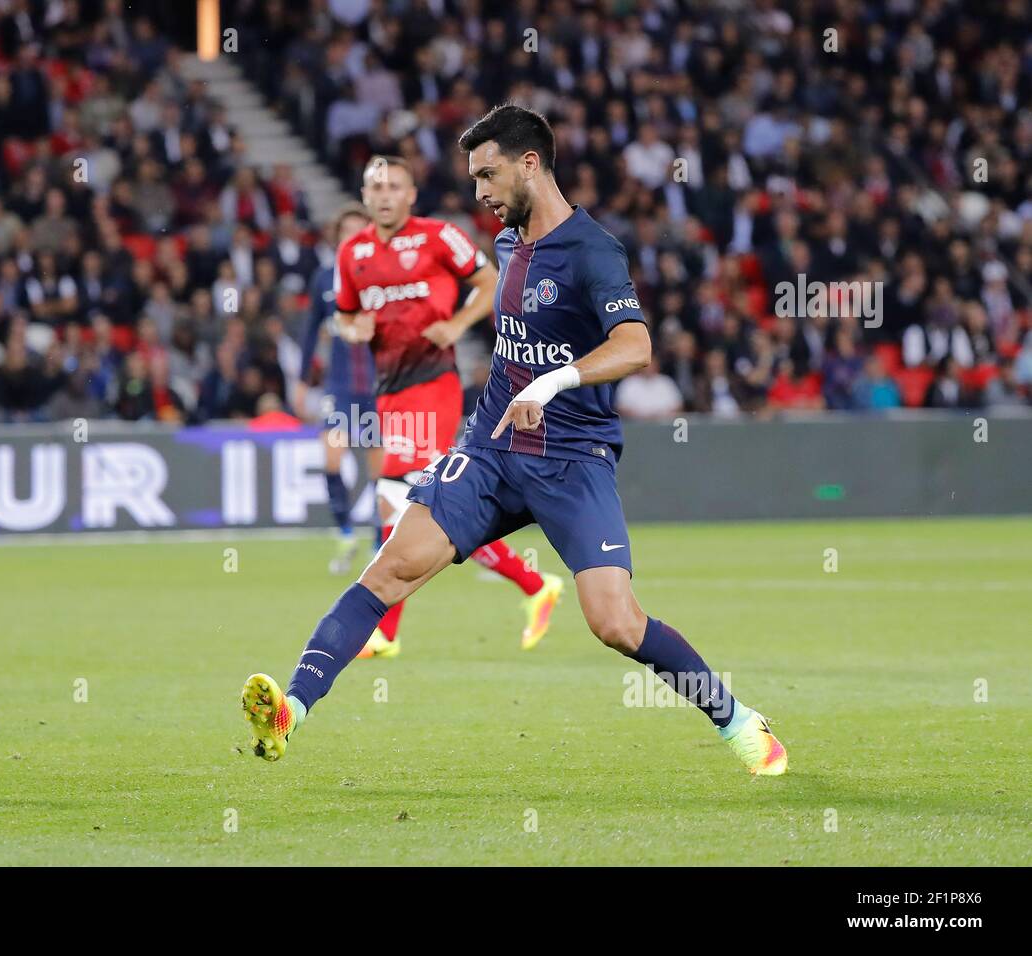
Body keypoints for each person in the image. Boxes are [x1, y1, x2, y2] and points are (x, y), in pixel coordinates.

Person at [241, 105, 788, 776]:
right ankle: (291, 710)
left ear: (531, 163)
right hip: (493, 447)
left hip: (573, 457)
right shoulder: (506, 245)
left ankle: (736, 718)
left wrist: (555, 381)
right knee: (389, 569)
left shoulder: (592, 251)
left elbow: (636, 345)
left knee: (615, 623)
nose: (480, 194)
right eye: (473, 179)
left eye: (488, 175)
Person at [332, 154, 564, 659]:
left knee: (400, 496)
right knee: (425, 512)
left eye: (395, 185)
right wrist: (355, 330)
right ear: (366, 197)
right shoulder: (352, 253)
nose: (385, 194)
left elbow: (490, 281)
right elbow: (343, 317)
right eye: (376, 187)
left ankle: (385, 631)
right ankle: (532, 584)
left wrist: (458, 325)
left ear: (411, 194)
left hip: (434, 385)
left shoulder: (438, 237)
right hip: (390, 391)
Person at [295, 204, 382, 575]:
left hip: (378, 383)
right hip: (340, 385)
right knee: (332, 457)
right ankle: (346, 535)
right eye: (345, 230)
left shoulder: (383, 274)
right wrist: (301, 380)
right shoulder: (324, 279)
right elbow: (310, 330)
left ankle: (380, 543)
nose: (352, 236)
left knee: (380, 470)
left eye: (358, 230)